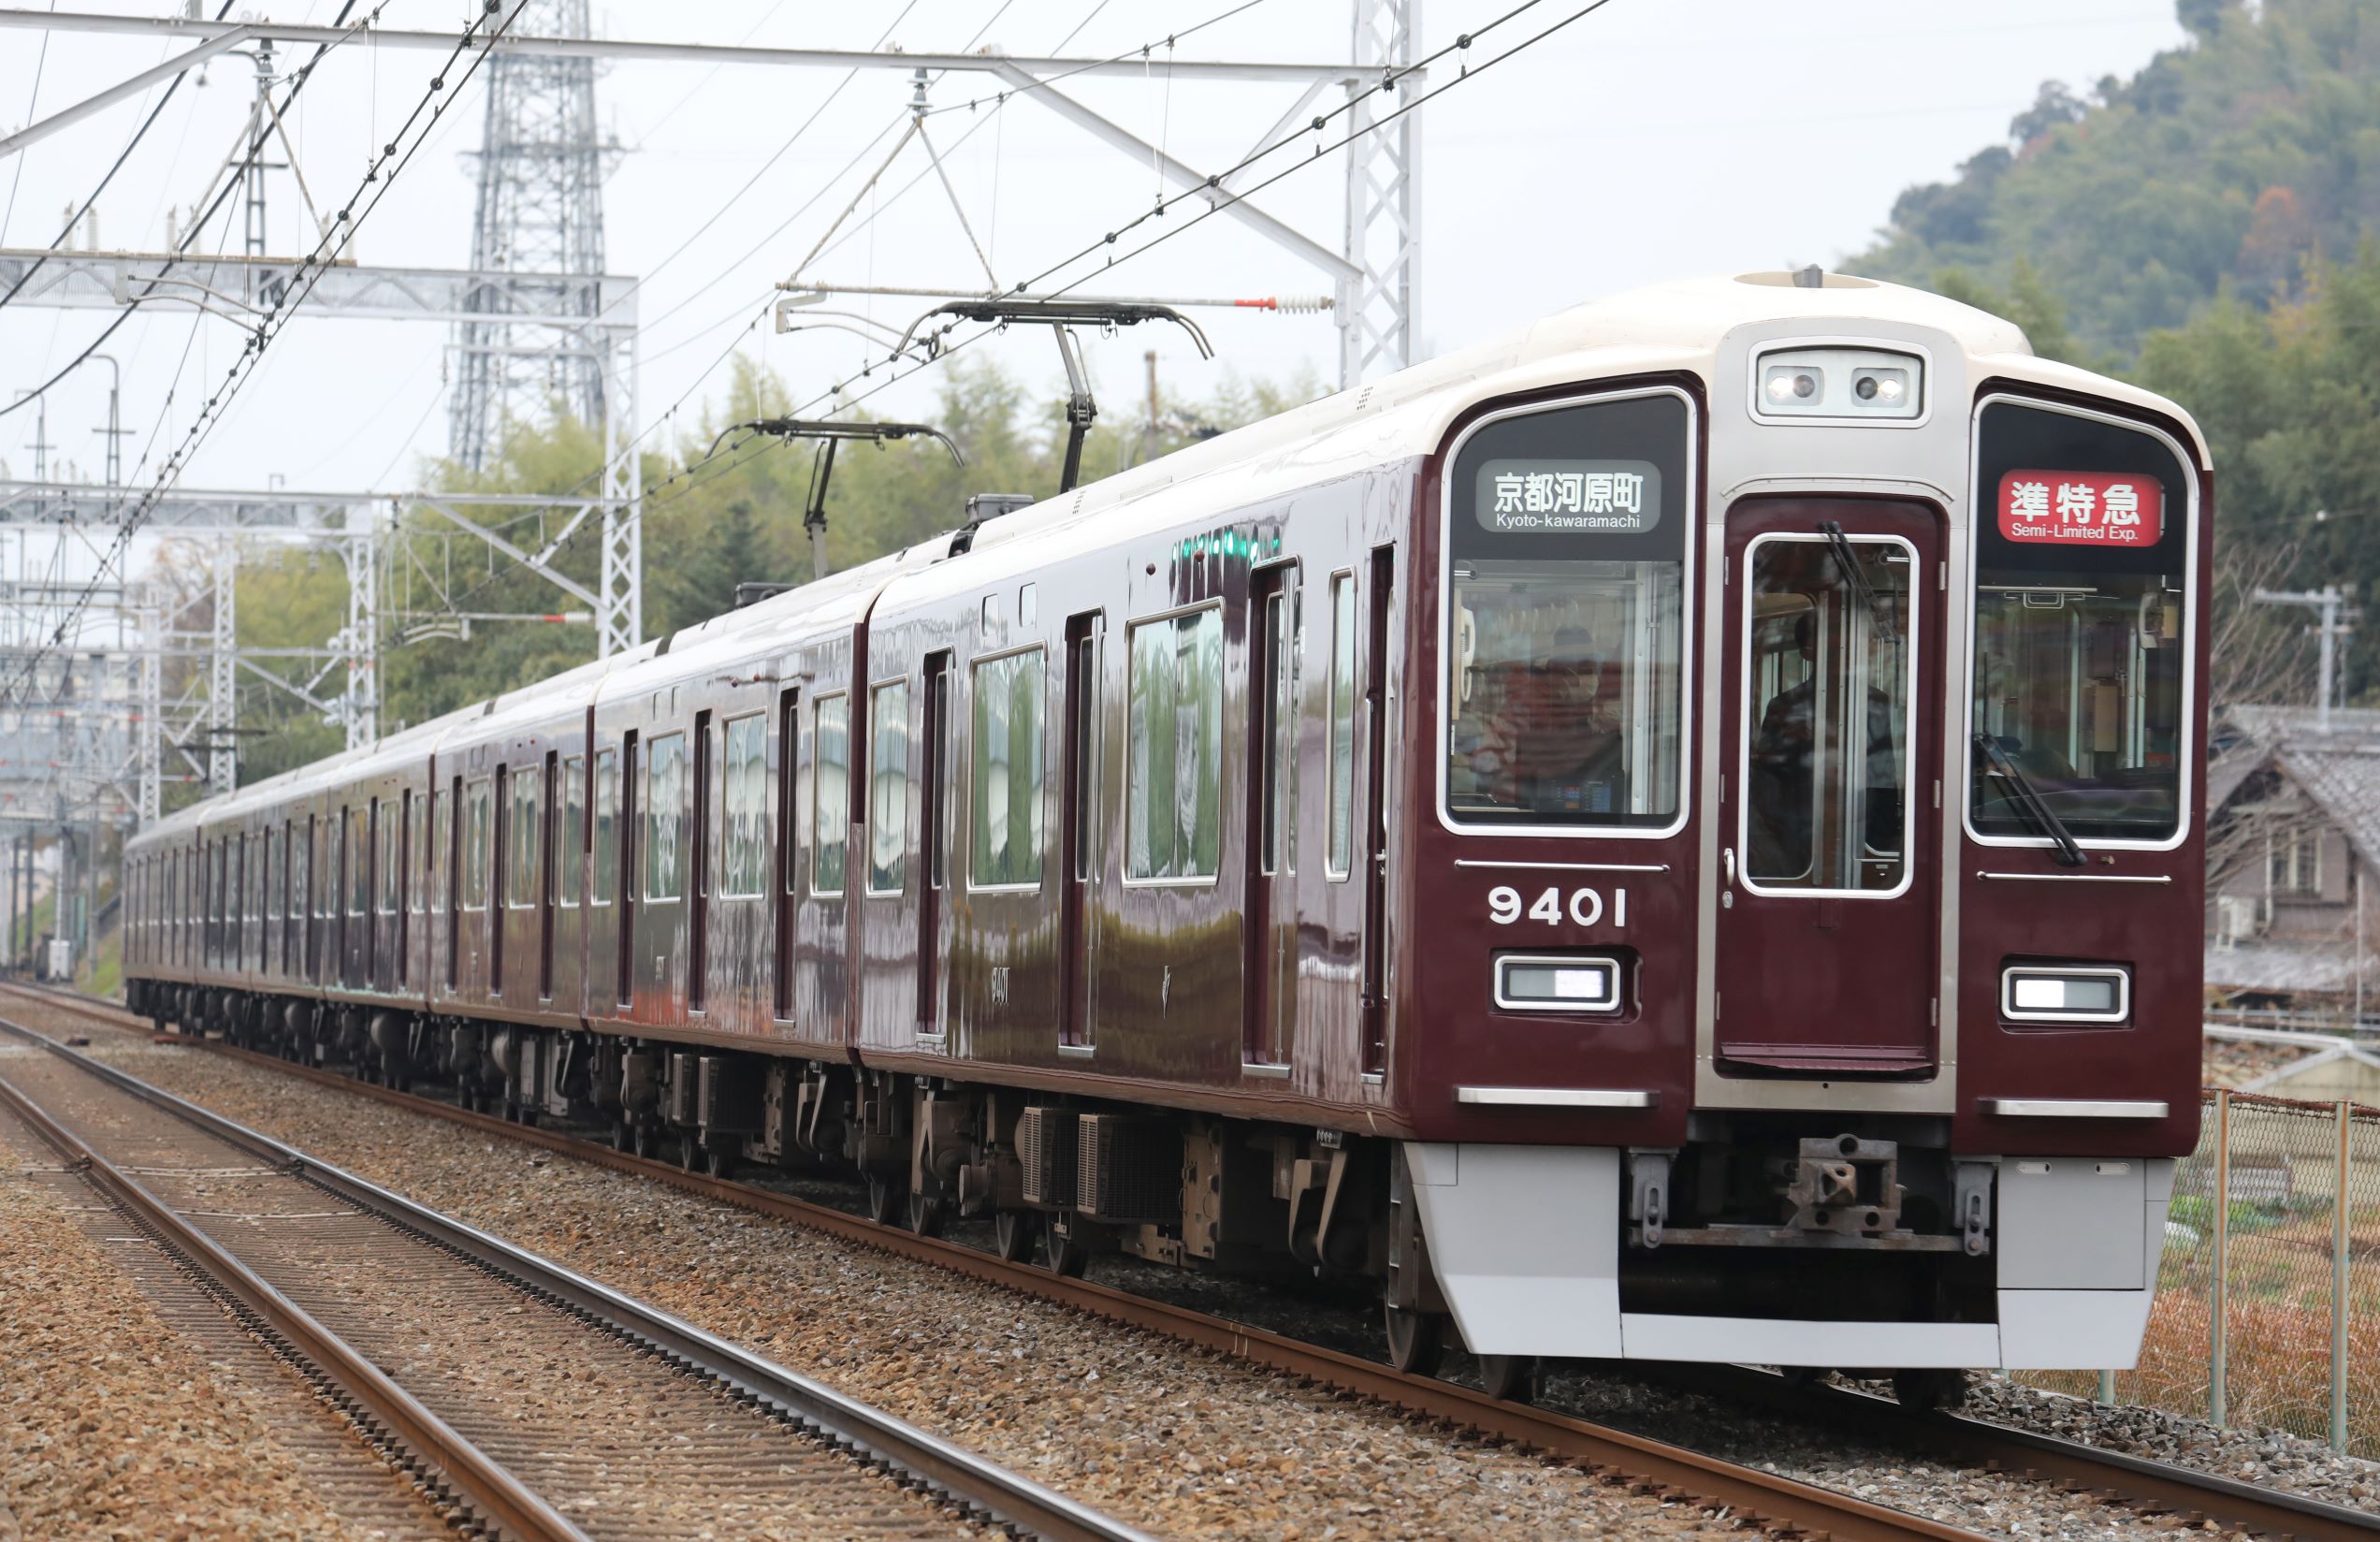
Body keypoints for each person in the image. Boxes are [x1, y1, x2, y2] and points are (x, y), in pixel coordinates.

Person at [1749, 608, 1900, 882]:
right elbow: (1766, 779)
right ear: (1807, 653)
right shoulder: (1783, 706)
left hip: (1860, 835)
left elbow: (1883, 778)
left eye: (1841, 642)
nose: (1837, 652)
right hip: (1796, 838)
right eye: (1824, 643)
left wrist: (1880, 846)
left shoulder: (1877, 703)